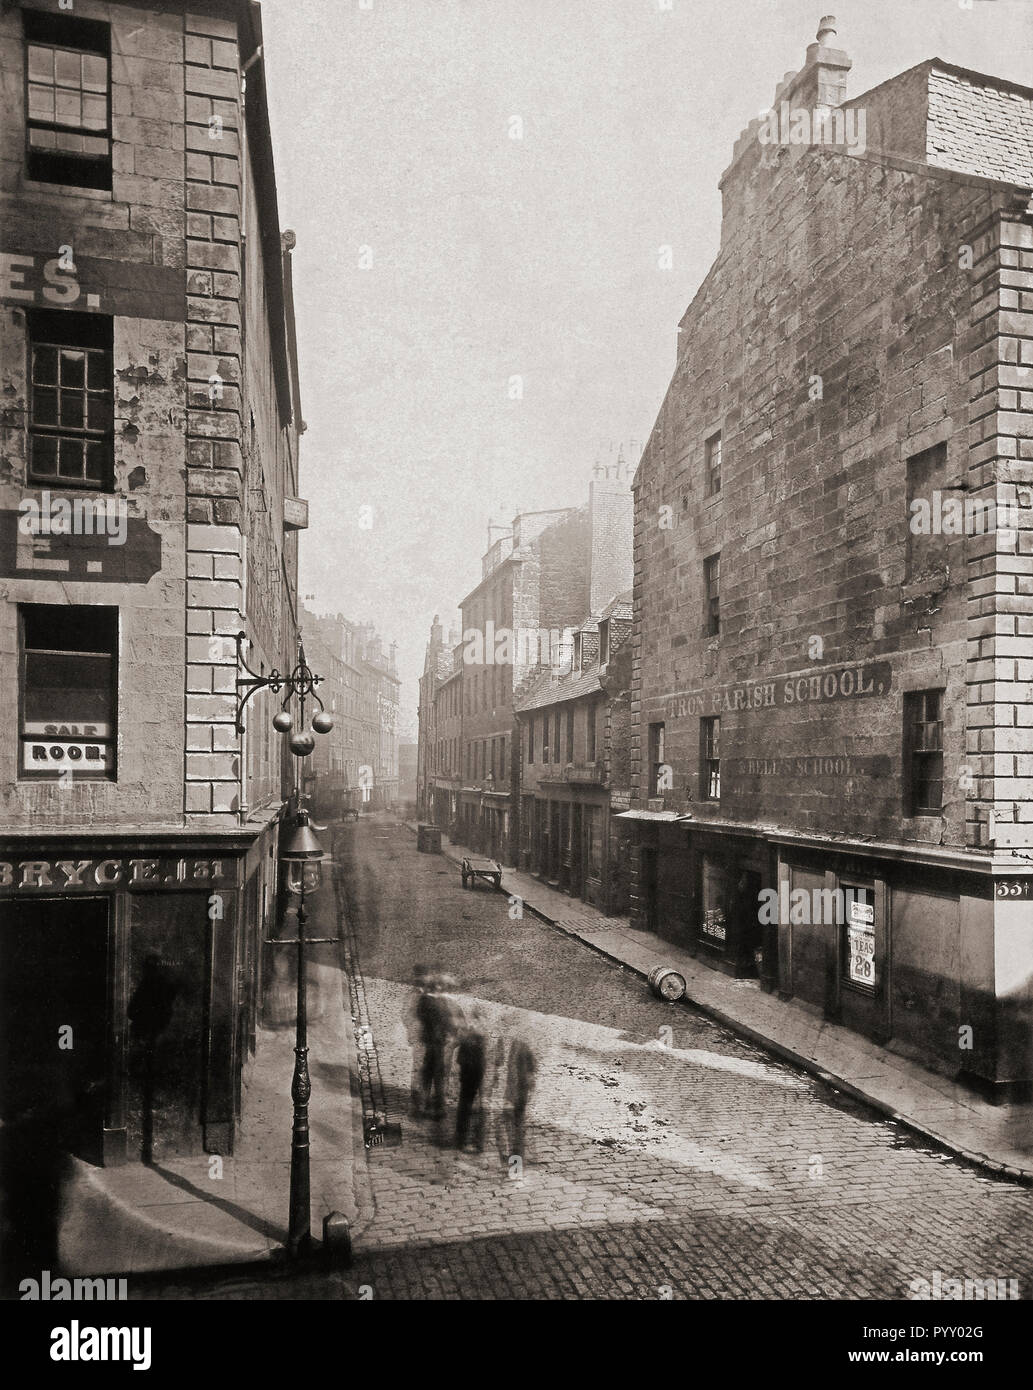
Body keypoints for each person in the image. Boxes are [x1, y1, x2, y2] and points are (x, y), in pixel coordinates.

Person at [454, 1005, 502, 1152]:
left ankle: (472, 1141)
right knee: (475, 1107)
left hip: (476, 1073)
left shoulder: (473, 1032)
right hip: (475, 1073)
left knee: (471, 1107)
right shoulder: (482, 1033)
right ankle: (472, 1141)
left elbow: (461, 1056)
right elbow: (500, 1058)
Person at [503, 1024, 538, 1163]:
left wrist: (510, 1095)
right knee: (517, 1122)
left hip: (517, 1090)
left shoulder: (518, 1046)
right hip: (521, 1090)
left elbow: (514, 1073)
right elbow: (533, 1067)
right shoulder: (523, 1044)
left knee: (514, 1122)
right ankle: (517, 1155)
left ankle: (516, 1157)